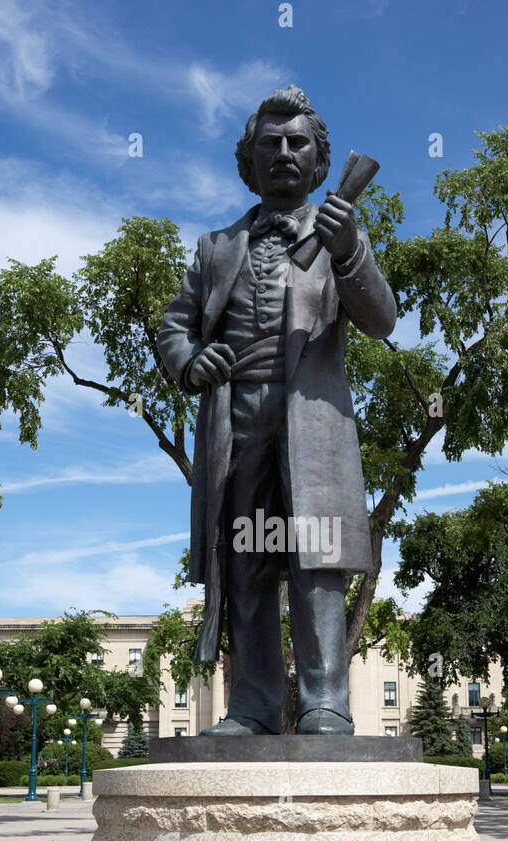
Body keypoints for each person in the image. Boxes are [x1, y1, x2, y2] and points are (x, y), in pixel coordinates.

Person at [157, 86, 397, 736]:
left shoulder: (340, 236)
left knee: (316, 560)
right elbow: (173, 326)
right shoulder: (215, 249)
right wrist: (190, 358)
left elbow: (381, 319)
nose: (285, 153)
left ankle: (326, 703)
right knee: (246, 563)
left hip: (311, 428)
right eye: (272, 143)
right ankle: (254, 707)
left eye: (299, 144)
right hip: (237, 430)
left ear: (320, 161)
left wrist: (348, 250)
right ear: (250, 160)